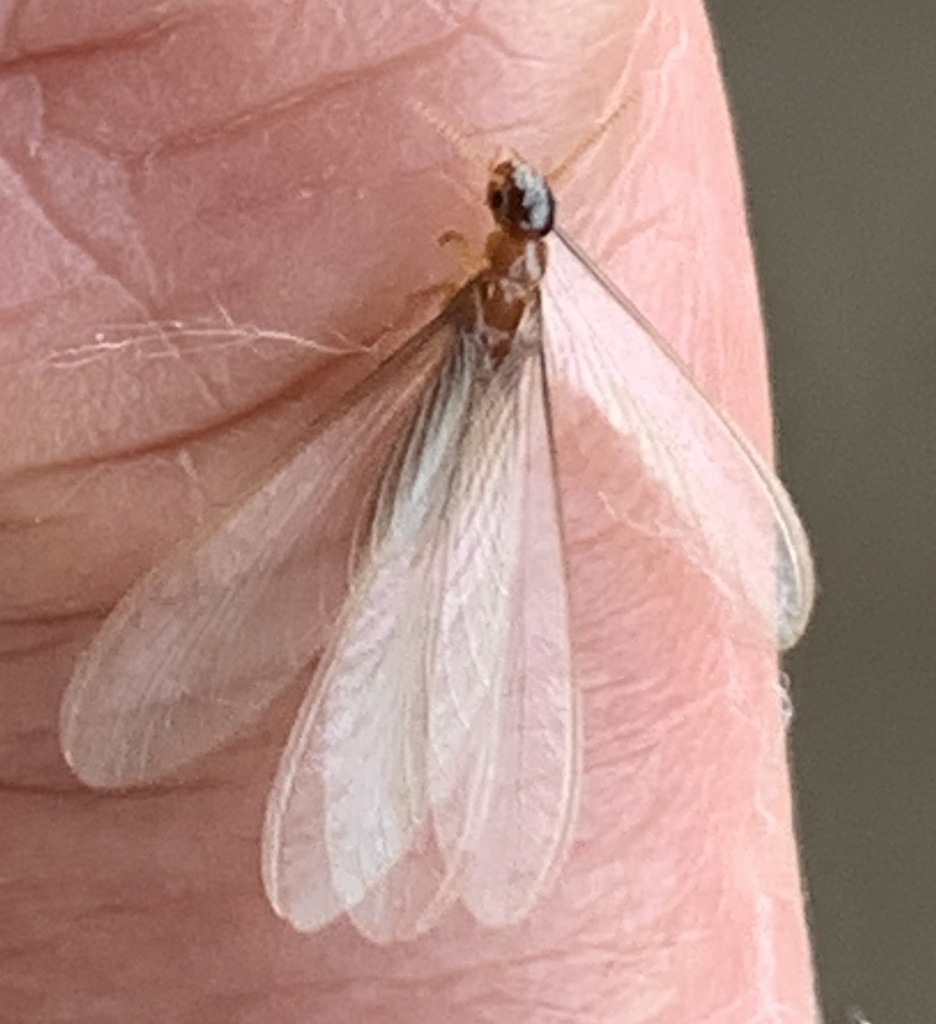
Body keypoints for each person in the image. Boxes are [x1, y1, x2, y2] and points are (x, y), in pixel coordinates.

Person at [0, 2, 817, 1020]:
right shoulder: (513, 282)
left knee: (420, 590)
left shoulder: (484, 284)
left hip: (457, 416)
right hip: (468, 408)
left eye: (508, 192)